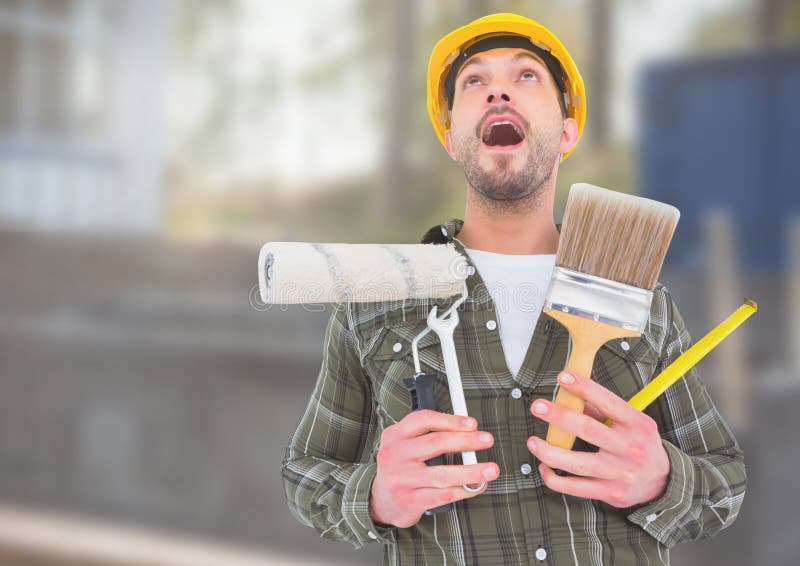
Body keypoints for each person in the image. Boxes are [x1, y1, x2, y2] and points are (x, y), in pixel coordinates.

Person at [282, 13, 745, 565]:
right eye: (473, 81)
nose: (497, 90)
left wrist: (662, 479)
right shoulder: (379, 297)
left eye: (527, 76)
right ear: (451, 140)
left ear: (567, 131)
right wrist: (377, 496)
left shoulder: (638, 296)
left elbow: (725, 480)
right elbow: (305, 475)